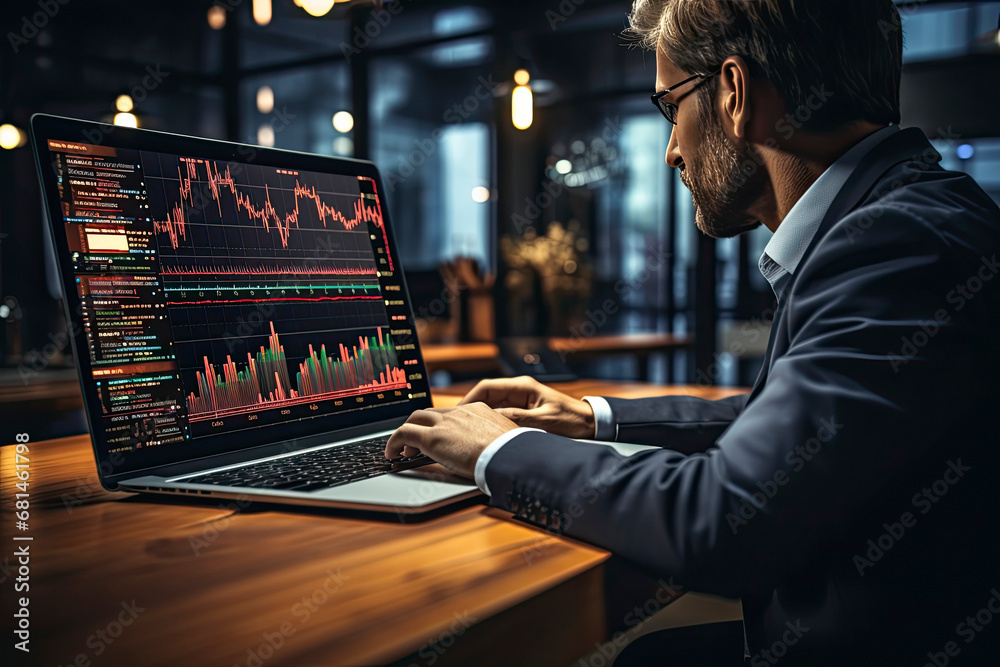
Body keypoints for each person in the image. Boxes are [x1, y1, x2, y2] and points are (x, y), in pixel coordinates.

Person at [386, 0, 1000, 663]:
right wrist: (593, 418)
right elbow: (798, 427)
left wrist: (501, 450)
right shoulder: (905, 216)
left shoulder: (898, 243)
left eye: (670, 105)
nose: (672, 149)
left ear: (734, 93)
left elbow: (726, 521)